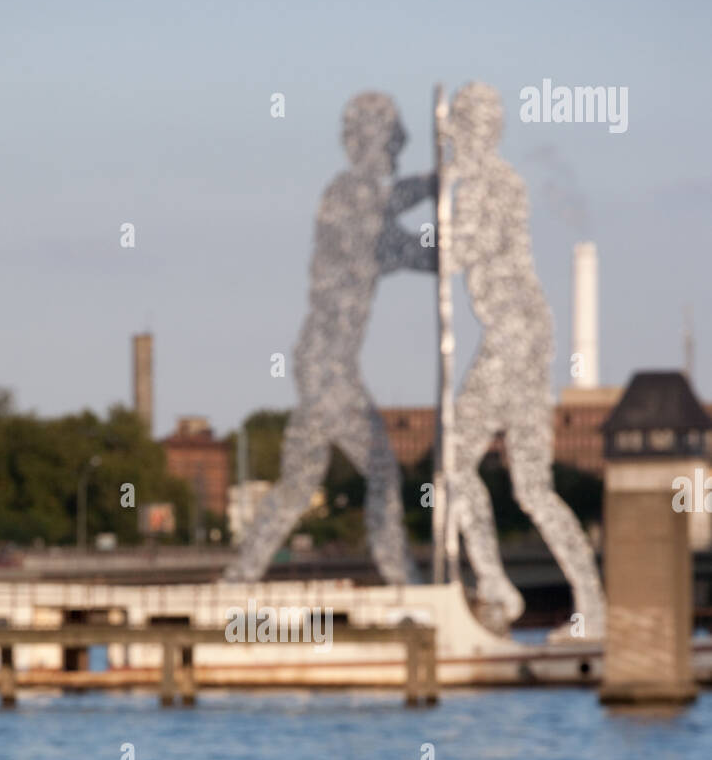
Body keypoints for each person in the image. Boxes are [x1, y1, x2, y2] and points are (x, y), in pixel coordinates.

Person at [225, 91, 436, 585]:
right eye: (383, 141)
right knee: (383, 471)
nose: (389, 152)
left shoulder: (359, 196)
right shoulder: (348, 196)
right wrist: (441, 201)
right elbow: (399, 242)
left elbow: (398, 221)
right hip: (328, 362)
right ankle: (404, 582)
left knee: (298, 485)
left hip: (323, 358)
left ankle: (238, 578)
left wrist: (437, 192)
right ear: (360, 143)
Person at [448, 82, 606, 637]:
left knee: (453, 459)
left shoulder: (486, 183)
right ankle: (589, 603)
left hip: (513, 335)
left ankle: (497, 584)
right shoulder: (497, 181)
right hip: (527, 334)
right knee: (532, 487)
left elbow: (455, 250)